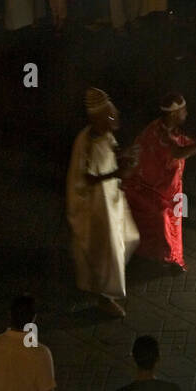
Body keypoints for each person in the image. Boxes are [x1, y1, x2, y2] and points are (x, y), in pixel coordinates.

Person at [65, 89, 140, 318]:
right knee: (109, 250)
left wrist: (125, 157)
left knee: (129, 238)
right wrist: (117, 172)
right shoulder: (85, 143)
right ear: (96, 118)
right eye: (109, 116)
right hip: (96, 206)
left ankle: (100, 282)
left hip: (111, 199)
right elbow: (87, 178)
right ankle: (105, 297)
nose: (114, 118)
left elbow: (113, 150)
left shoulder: (105, 135)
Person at [123, 96, 196, 270]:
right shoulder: (158, 133)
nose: (187, 113)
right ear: (174, 114)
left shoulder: (169, 128)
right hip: (153, 190)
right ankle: (167, 259)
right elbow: (179, 152)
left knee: (176, 222)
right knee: (164, 225)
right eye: (183, 110)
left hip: (173, 187)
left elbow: (185, 144)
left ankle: (173, 257)